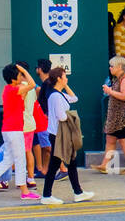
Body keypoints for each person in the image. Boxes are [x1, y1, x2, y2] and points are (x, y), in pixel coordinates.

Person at [0, 63, 39, 200]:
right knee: (20, 160)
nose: (21, 76)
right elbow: (32, 84)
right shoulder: (14, 89)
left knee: (8, 160)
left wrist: (20, 73)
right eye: (19, 74)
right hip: (15, 130)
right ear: (13, 78)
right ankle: (25, 192)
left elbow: (28, 84)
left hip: (8, 129)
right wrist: (23, 69)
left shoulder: (8, 89)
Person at [40, 68, 93, 205]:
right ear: (58, 78)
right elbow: (62, 116)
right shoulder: (56, 96)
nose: (67, 78)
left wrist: (65, 85)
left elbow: (75, 98)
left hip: (59, 135)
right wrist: (72, 116)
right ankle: (47, 195)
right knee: (55, 165)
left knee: (70, 163)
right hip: (59, 135)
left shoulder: (58, 94)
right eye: (64, 77)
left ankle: (78, 192)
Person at [97, 56, 125, 175]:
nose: (110, 68)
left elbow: (124, 96)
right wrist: (110, 90)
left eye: (112, 66)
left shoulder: (124, 79)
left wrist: (110, 91)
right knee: (110, 139)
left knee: (124, 141)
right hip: (115, 117)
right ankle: (104, 165)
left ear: (119, 67)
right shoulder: (118, 79)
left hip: (123, 117)